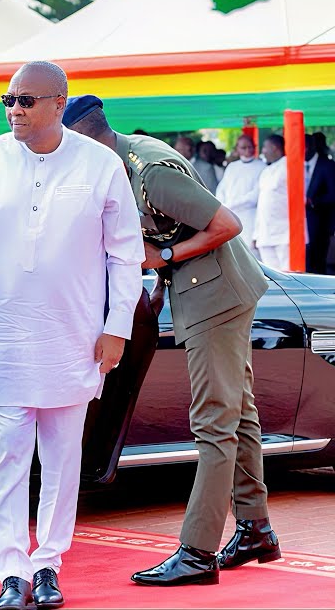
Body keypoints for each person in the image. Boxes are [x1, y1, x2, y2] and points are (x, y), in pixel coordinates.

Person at [0, 67, 143, 610]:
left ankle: (49, 566)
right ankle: (13, 572)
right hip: (3, 339)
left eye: (25, 100)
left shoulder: (100, 164)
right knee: (9, 457)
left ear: (59, 103)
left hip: (74, 337)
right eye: (7, 100)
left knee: (64, 461)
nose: (13, 109)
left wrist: (117, 328)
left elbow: (126, 253)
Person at [64, 95, 277, 588]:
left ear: (88, 141)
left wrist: (162, 255)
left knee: (214, 423)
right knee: (237, 413)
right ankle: (255, 529)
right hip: (201, 290)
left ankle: (197, 552)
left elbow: (226, 224)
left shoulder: (150, 172)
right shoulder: (122, 162)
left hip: (217, 296)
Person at [215, 134, 265, 259]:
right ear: (237, 149)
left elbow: (255, 195)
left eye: (250, 147)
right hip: (229, 215)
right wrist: (222, 205)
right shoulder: (232, 167)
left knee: (251, 253)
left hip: (250, 215)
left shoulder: (262, 166)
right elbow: (222, 189)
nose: (247, 150)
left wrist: (232, 204)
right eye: (244, 147)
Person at [254, 134, 296, 269]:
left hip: (284, 232)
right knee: (272, 278)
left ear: (274, 147)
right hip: (265, 232)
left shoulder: (290, 165)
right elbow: (261, 202)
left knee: (289, 275)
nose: (263, 152)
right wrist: (257, 233)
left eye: (265, 147)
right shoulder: (266, 170)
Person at [305, 132, 335, 274]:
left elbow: (333, 194)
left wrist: (313, 202)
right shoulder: (291, 165)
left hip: (319, 222)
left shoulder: (327, 165)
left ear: (311, 147)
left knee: (318, 262)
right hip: (297, 224)